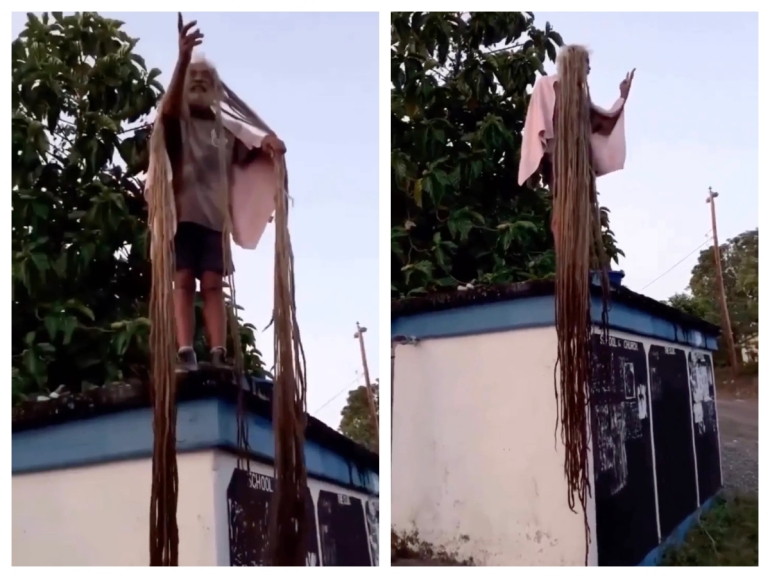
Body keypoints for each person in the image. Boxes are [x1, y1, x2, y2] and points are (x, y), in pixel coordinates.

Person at [159, 16, 286, 373]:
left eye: (206, 79)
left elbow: (251, 159)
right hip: (181, 217)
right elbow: (168, 110)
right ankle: (185, 351)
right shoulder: (174, 122)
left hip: (215, 219)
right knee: (182, 280)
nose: (199, 82)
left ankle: (217, 352)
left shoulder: (225, 130)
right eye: (193, 79)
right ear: (183, 84)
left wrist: (268, 143)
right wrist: (183, 59)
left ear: (216, 88)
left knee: (213, 284)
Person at [518, 45, 635, 245]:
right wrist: (536, 164)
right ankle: (564, 258)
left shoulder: (582, 96)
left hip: (581, 164)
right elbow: (535, 125)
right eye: (587, 64)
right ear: (575, 63)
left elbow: (602, 121)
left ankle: (579, 259)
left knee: (582, 212)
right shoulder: (547, 86)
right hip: (558, 162)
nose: (589, 69)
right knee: (561, 210)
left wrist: (622, 96)